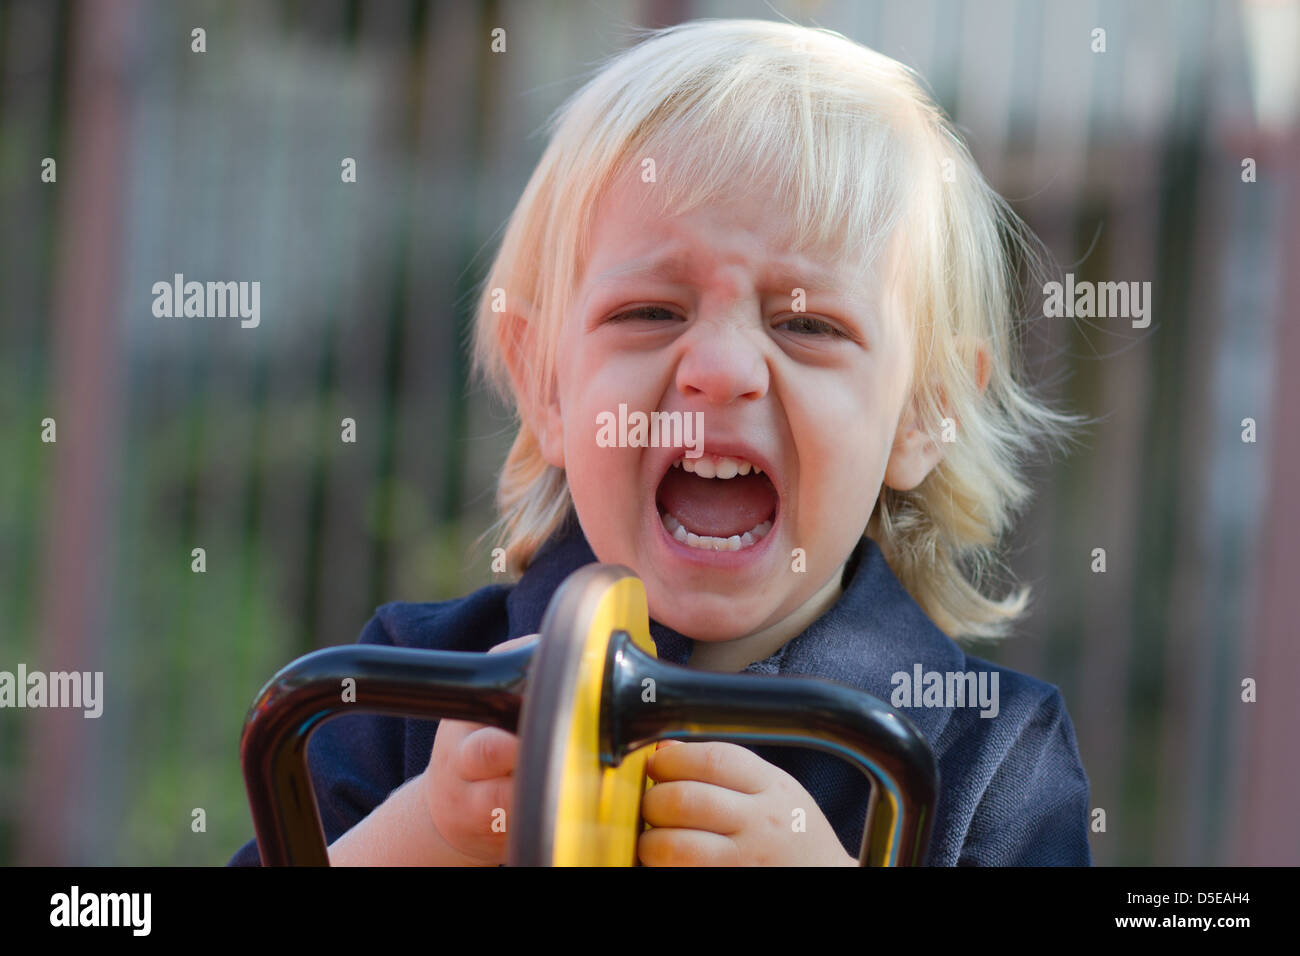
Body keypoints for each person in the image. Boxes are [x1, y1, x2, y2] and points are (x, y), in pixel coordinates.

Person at [230, 17, 1092, 867]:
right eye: (650, 312)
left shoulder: (992, 756)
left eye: (808, 324)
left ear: (923, 411)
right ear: (547, 384)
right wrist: (428, 833)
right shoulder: (414, 687)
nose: (720, 369)